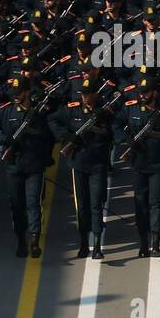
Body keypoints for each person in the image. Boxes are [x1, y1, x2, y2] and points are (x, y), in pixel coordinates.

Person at [0, 75, 57, 257]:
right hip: (14, 166)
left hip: (33, 165)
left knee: (33, 203)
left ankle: (34, 240)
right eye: (13, 93)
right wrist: (5, 140)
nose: (15, 96)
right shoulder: (7, 111)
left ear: (26, 92)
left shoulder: (38, 112)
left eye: (19, 93)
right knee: (17, 205)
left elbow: (50, 136)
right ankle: (20, 240)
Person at [114, 74, 160, 257]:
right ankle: (143, 241)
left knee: (156, 203)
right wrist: (127, 141)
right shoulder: (131, 109)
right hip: (139, 164)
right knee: (140, 204)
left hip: (158, 164)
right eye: (141, 93)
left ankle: (155, 241)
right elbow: (116, 125)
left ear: (155, 93)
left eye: (146, 93)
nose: (143, 96)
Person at [50, 75, 115, 260]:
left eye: (88, 94)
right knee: (82, 207)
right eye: (83, 94)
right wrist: (67, 136)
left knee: (96, 205)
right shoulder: (72, 110)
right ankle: (83, 243)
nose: (85, 97)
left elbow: (113, 133)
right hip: (78, 163)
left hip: (97, 164)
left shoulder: (104, 111)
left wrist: (103, 122)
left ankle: (96, 245)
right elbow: (52, 120)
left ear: (95, 94)